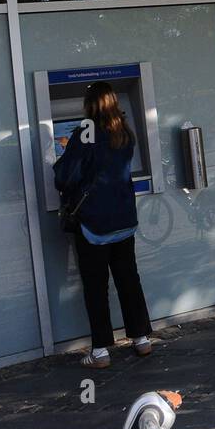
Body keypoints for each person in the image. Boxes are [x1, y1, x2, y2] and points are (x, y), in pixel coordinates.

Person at [54, 81, 153, 369]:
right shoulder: (125, 132)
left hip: (93, 223)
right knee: (128, 279)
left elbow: (64, 177)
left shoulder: (85, 133)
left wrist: (63, 156)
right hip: (123, 219)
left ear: (90, 105)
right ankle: (141, 339)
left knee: (96, 286)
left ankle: (100, 352)